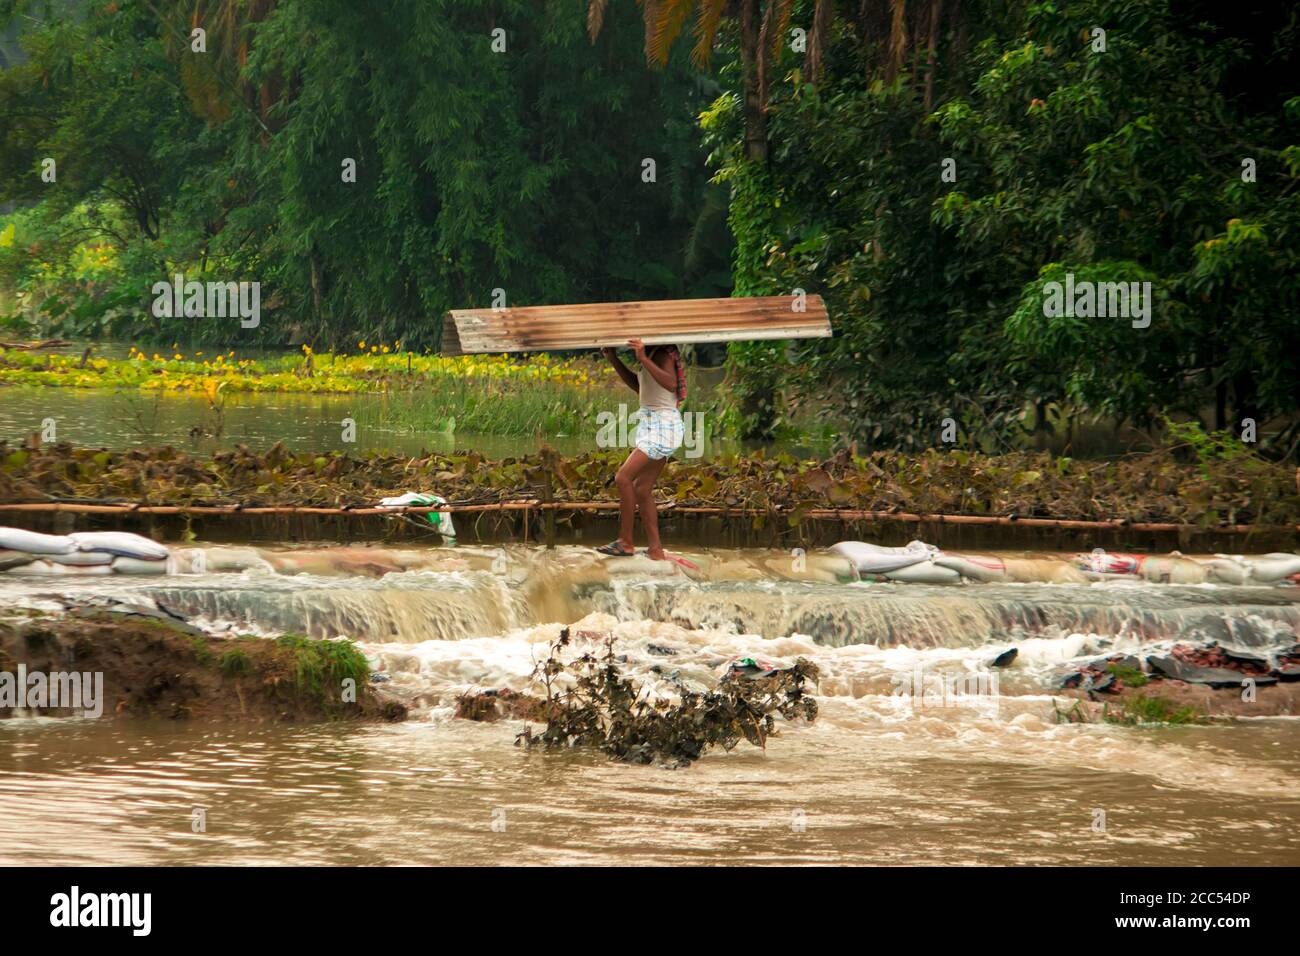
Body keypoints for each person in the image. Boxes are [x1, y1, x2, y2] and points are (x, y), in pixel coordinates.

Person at [596, 339, 686, 559]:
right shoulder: (652, 354)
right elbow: (639, 386)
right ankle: (655, 549)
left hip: (663, 425)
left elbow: (671, 384)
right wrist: (613, 359)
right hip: (652, 424)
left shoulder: (662, 353)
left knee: (623, 477)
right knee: (641, 488)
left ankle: (626, 542)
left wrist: (643, 357)